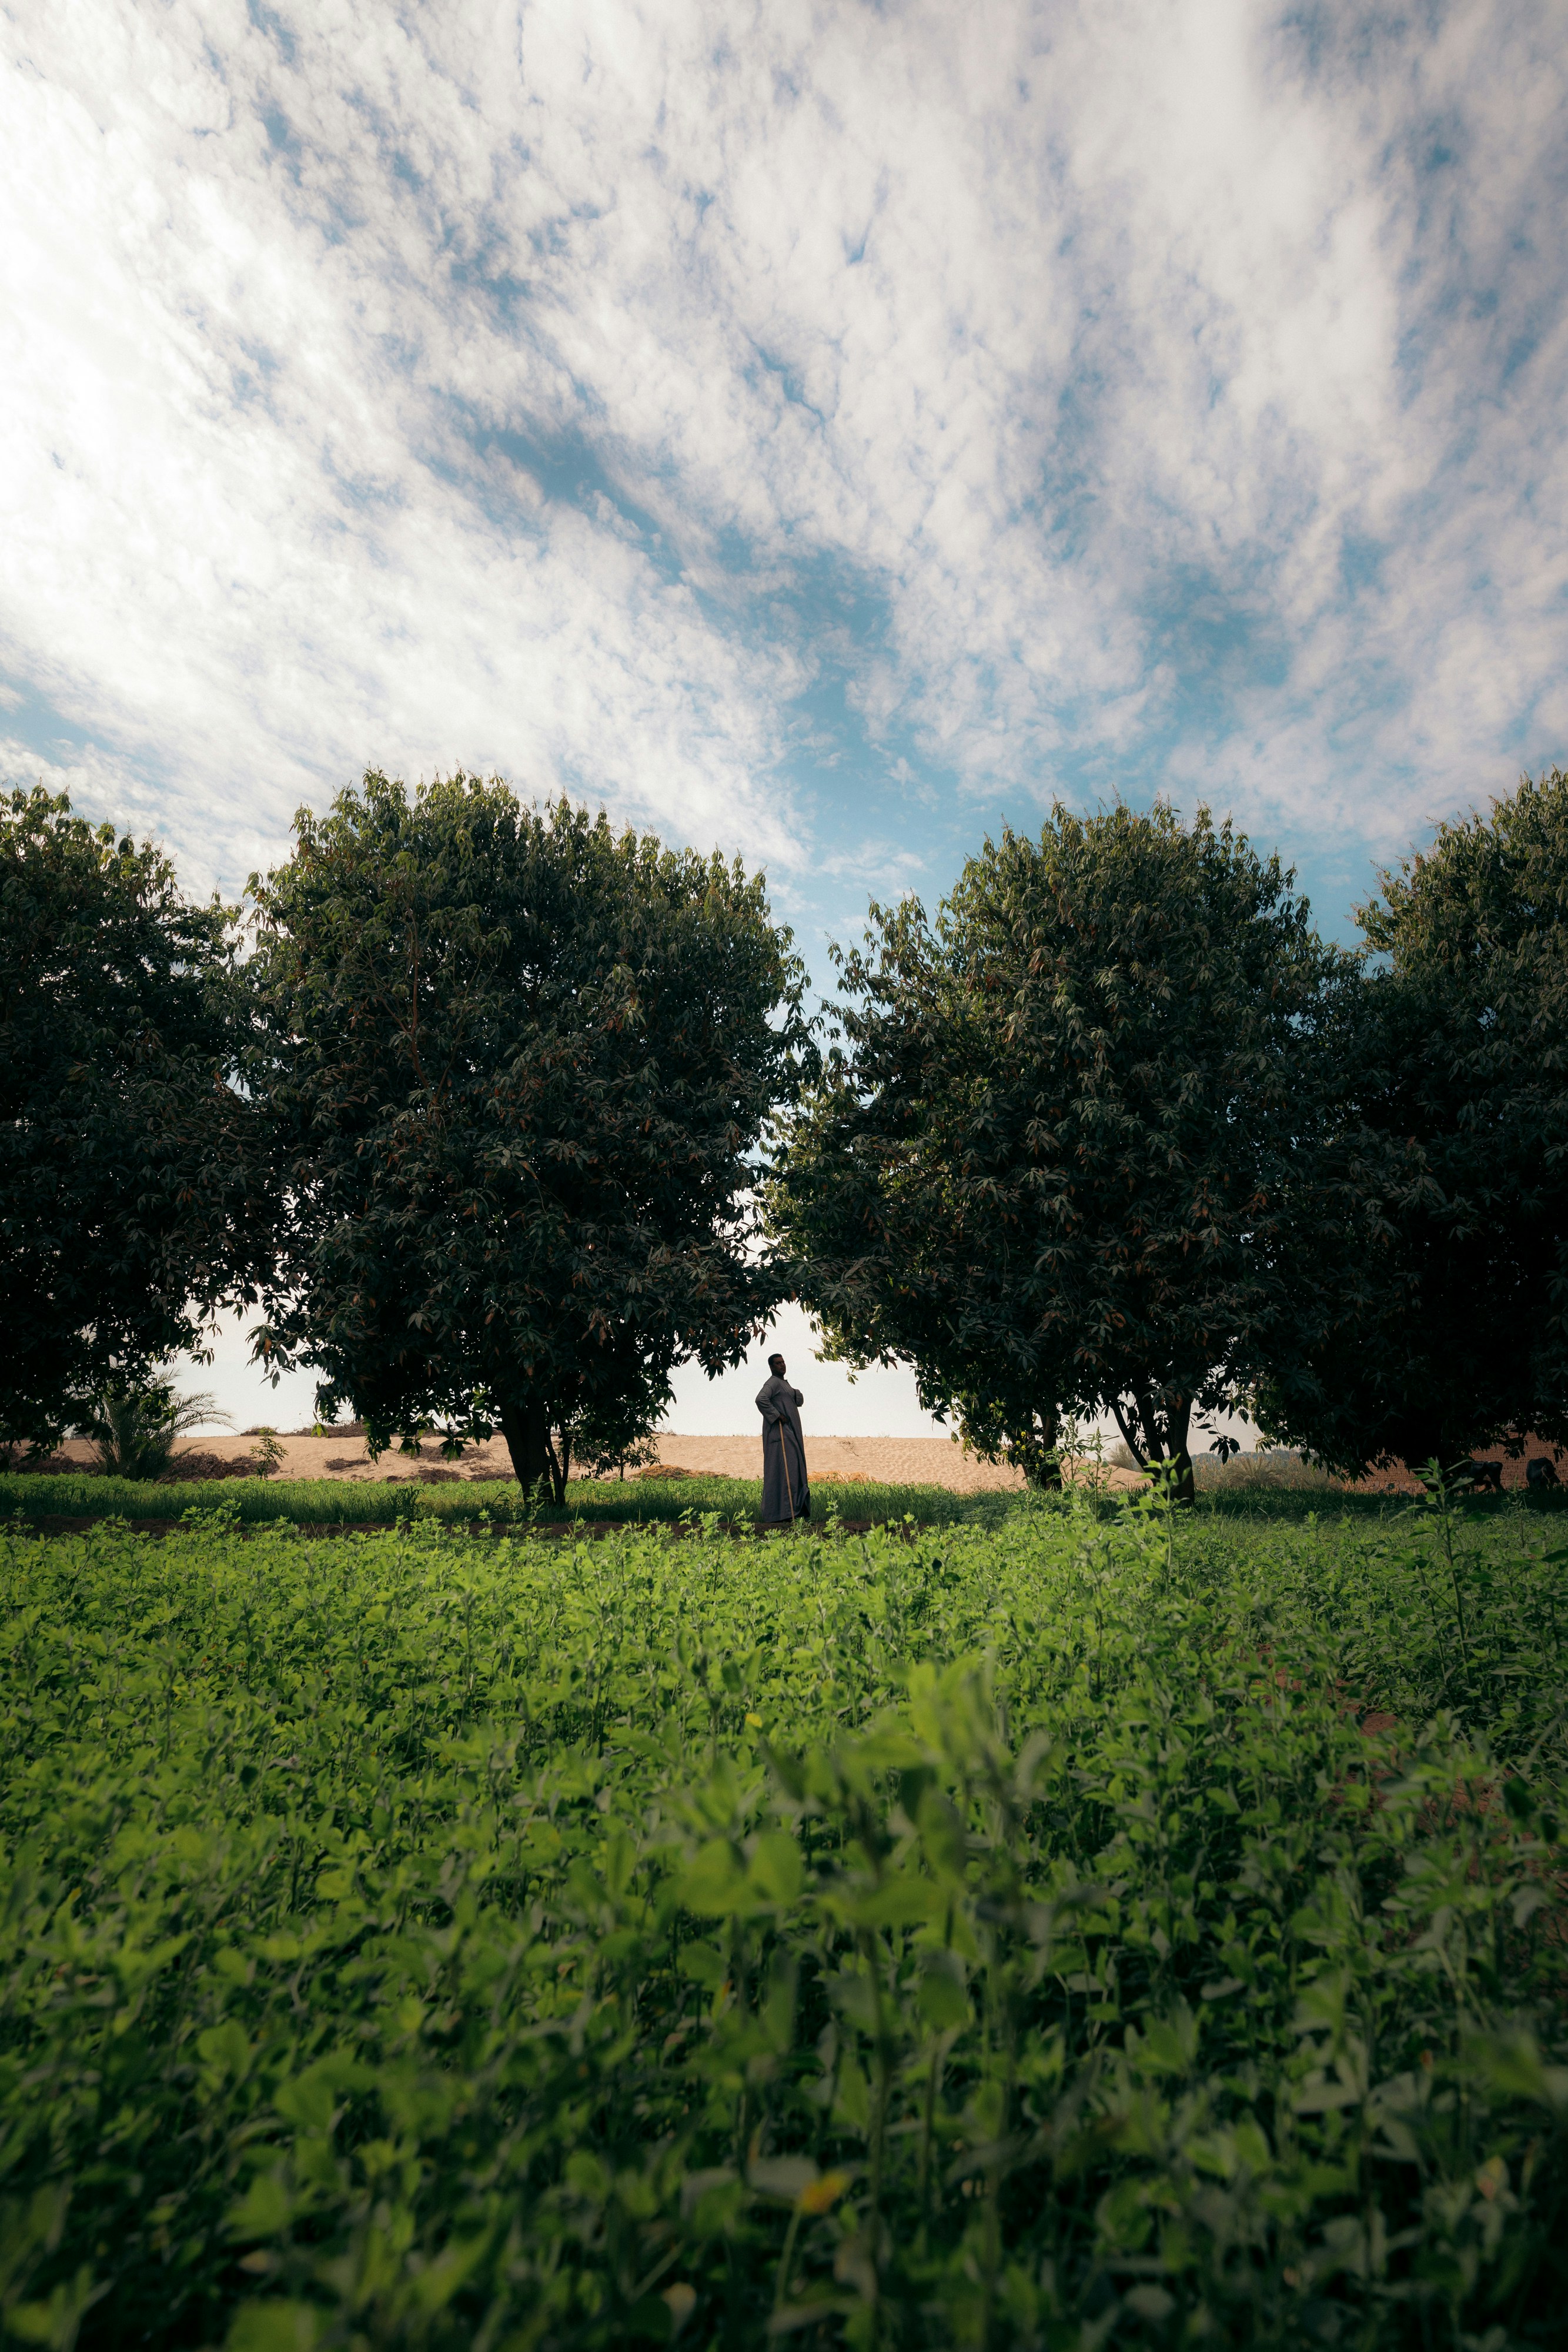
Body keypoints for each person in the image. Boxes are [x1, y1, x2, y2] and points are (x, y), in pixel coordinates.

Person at [755, 1352, 810, 1526]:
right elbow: (761, 1399)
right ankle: (783, 1512)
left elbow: (796, 1398)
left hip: (789, 1434)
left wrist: (795, 1394)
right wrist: (777, 1415)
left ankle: (793, 1511)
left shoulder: (782, 1384)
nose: (782, 1365)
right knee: (786, 1470)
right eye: (778, 1363)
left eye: (783, 1362)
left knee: (793, 1470)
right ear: (771, 1367)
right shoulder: (772, 1383)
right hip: (780, 1435)